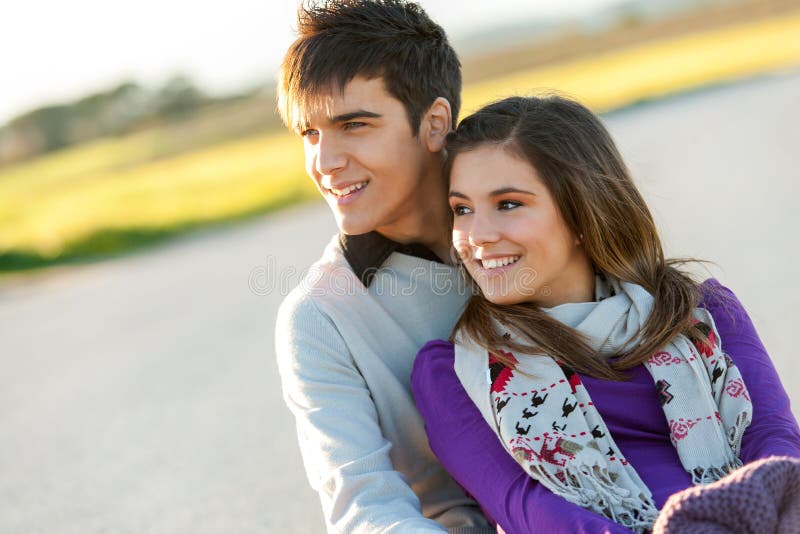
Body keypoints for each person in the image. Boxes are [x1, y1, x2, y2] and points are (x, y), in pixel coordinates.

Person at [411, 95, 800, 533]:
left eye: (508, 204)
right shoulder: (456, 372)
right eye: (461, 209)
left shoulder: (702, 312)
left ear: (581, 212)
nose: (476, 235)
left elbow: (776, 445)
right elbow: (528, 508)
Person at [274, 1, 493, 532]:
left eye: (353, 124)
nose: (324, 163)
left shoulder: (531, 225)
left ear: (435, 123)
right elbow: (364, 507)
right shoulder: (319, 318)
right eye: (310, 133)